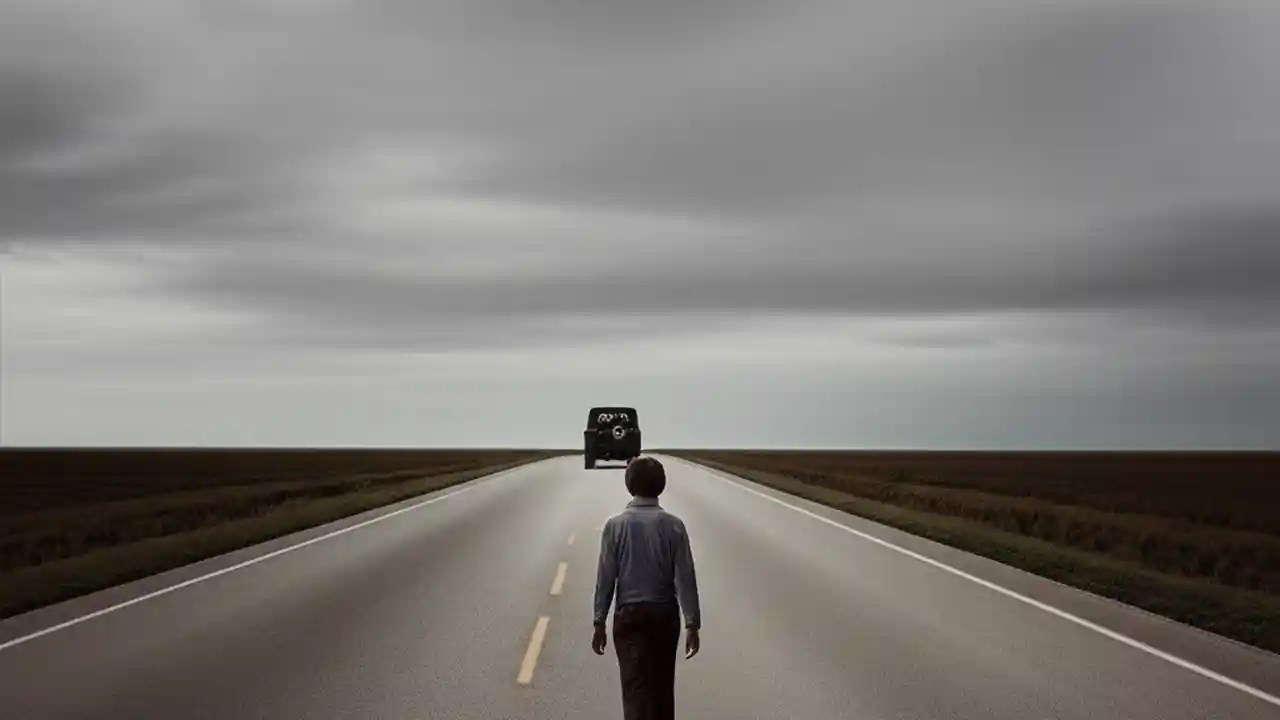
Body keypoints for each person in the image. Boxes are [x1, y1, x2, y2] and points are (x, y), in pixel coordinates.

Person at [591, 456, 701, 720]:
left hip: (629, 615)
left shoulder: (614, 526)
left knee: (635, 689)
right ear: (660, 486)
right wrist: (692, 624)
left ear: (629, 485)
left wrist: (599, 621)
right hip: (664, 615)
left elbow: (606, 577)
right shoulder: (674, 526)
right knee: (662, 689)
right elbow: (685, 578)